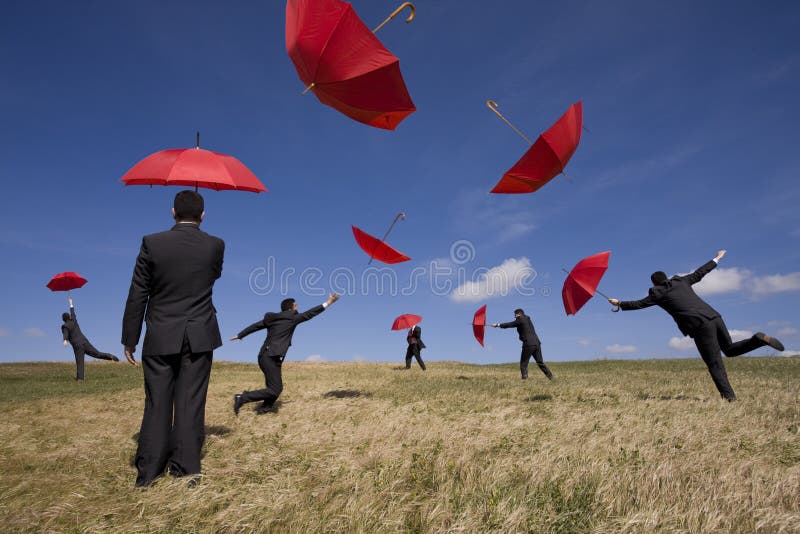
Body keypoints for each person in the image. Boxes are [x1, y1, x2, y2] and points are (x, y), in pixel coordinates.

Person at [121, 190, 225, 487]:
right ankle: (187, 470)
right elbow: (213, 275)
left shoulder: (152, 243)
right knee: (191, 402)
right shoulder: (215, 246)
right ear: (203, 215)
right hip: (199, 333)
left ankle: (149, 473)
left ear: (172, 212)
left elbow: (138, 292)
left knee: (157, 403)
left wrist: (130, 338)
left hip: (160, 333)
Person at [608, 250, 785, 401]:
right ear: (666, 277)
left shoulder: (657, 293)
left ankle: (730, 398)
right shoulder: (681, 281)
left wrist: (620, 303)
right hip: (714, 317)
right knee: (729, 349)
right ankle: (757, 340)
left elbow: (639, 304)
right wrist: (716, 258)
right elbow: (700, 273)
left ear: (654, 283)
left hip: (699, 325)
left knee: (714, 363)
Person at [231, 293, 340, 415]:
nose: (297, 308)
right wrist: (328, 303)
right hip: (270, 357)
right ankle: (242, 397)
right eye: (296, 305)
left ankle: (264, 410)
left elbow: (255, 326)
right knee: (275, 389)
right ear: (291, 308)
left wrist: (240, 335)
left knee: (274, 388)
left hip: (267, 356)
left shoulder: (273, 319)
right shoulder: (292, 318)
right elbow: (310, 314)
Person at [61, 296, 118, 380]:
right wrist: (71, 303)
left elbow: (65, 333)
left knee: (80, 362)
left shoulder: (64, 326)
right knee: (97, 353)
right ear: (69, 317)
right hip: (84, 341)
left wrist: (65, 340)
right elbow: (73, 313)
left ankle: (80, 379)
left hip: (78, 346)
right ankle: (109, 356)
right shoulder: (73, 320)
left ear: (63, 319)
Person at [492, 308, 553, 380]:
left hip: (528, 344)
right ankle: (551, 377)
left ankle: (524, 380)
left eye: (515, 315)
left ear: (519, 314)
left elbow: (510, 324)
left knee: (523, 363)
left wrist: (498, 325)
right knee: (540, 362)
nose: (514, 316)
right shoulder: (527, 319)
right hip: (537, 343)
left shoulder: (520, 319)